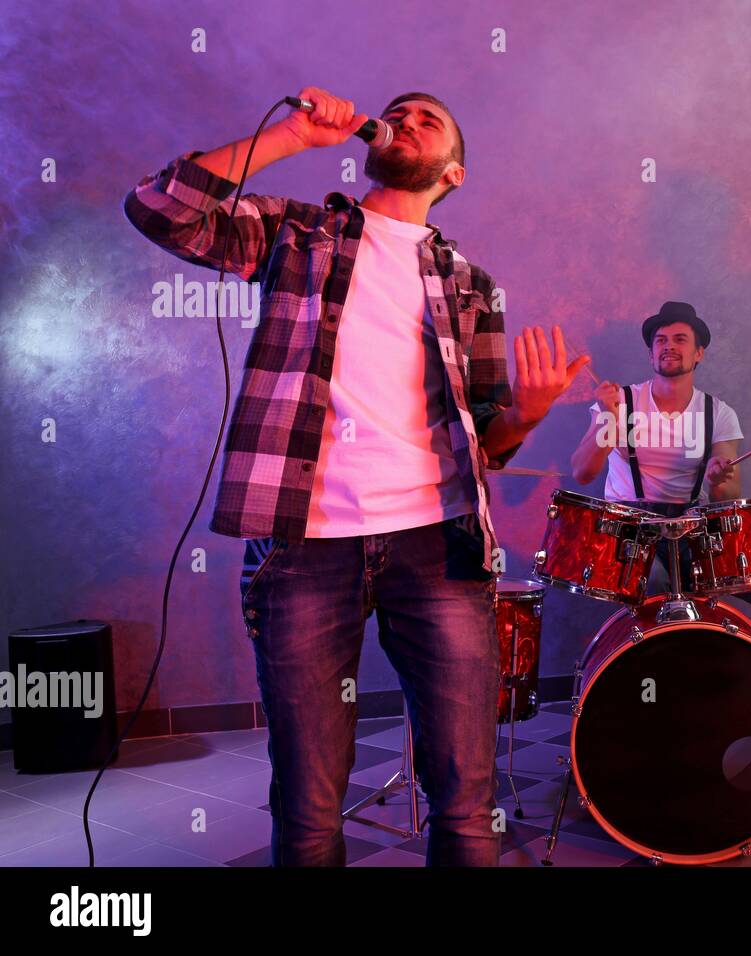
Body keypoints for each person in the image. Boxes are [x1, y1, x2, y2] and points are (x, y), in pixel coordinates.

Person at [125, 86, 587, 866]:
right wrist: (290, 135)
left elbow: (490, 446)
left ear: (455, 172)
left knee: (468, 809)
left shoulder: (473, 284)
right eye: (396, 113)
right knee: (307, 814)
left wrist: (530, 415)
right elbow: (159, 209)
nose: (405, 122)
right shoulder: (297, 233)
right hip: (303, 548)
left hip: (437, 547)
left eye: (428, 119)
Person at [570, 301, 742, 590]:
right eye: (660, 340)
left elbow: (729, 495)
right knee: (658, 585)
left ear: (698, 353)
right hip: (627, 530)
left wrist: (717, 480)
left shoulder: (719, 413)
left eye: (680, 339)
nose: (668, 346)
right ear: (651, 354)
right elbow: (582, 472)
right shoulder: (618, 401)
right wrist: (609, 419)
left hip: (690, 529)